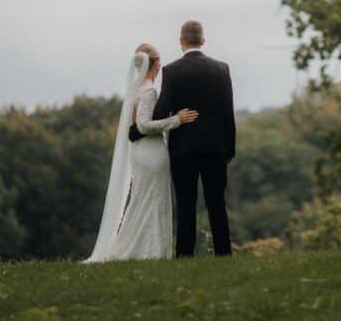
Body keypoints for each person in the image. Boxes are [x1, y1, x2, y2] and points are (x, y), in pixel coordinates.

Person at [85, 43, 198, 262]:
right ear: (155, 64)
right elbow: (144, 125)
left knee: (140, 200)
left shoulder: (134, 90)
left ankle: (129, 248)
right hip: (152, 153)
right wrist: (177, 120)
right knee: (153, 200)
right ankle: (151, 251)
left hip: (139, 153)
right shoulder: (149, 91)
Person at [153, 20, 235, 257]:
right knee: (217, 204)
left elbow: (161, 113)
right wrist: (230, 150)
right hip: (216, 148)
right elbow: (227, 112)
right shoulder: (222, 69)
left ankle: (184, 257)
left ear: (181, 41)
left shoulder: (172, 71)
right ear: (203, 40)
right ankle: (224, 254)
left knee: (186, 206)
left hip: (183, 149)